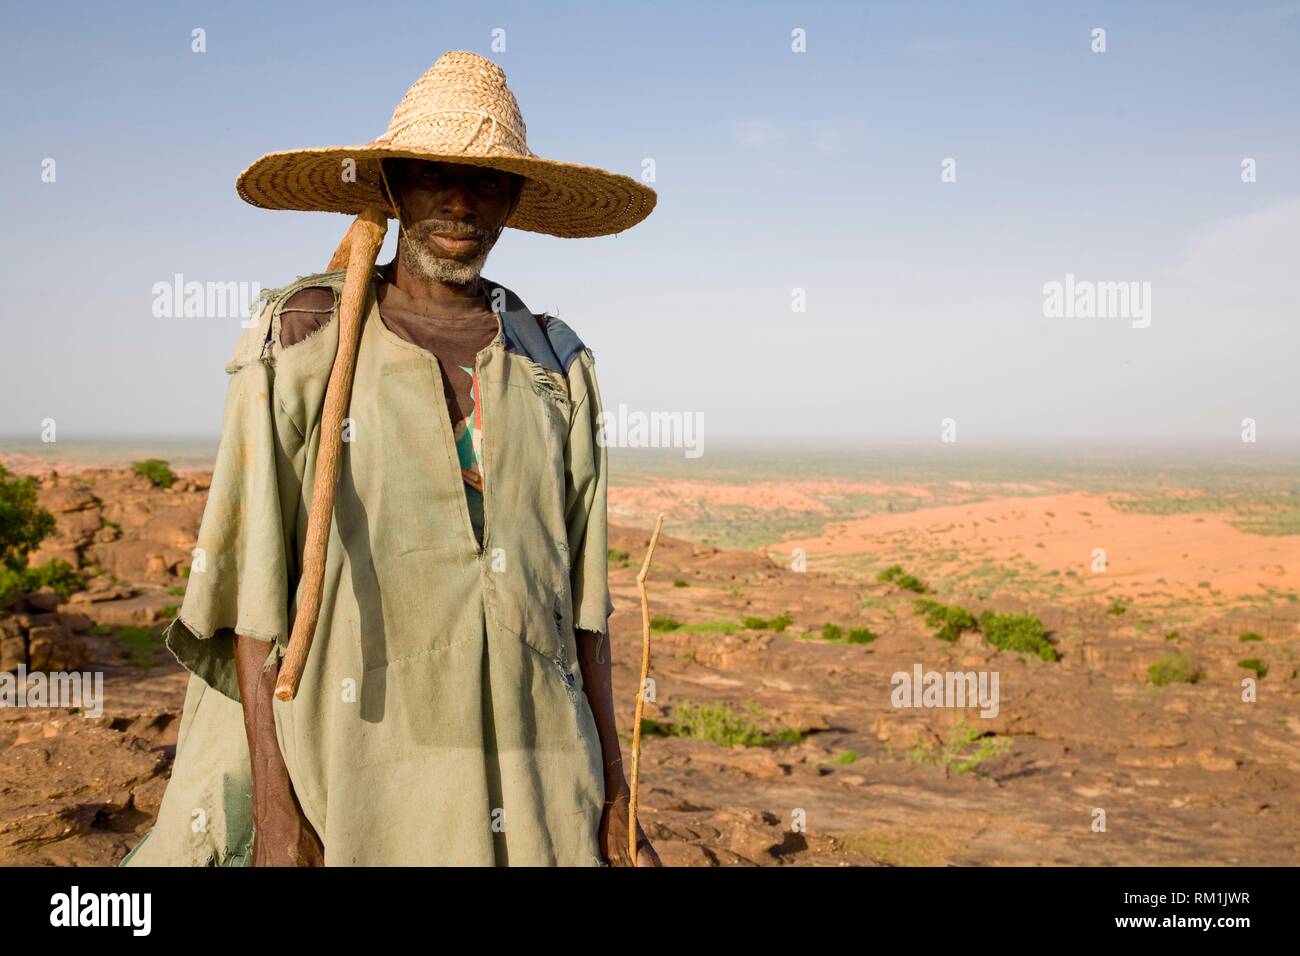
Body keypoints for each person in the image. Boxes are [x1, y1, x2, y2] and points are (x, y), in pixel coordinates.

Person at [120, 50, 659, 866]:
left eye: (486, 182)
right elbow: (250, 596)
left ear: (514, 201)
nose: (458, 200)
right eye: (432, 174)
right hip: (360, 764)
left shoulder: (556, 363)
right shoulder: (303, 341)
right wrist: (276, 808)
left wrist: (616, 790)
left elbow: (583, 610)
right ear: (393, 185)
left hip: (541, 771)